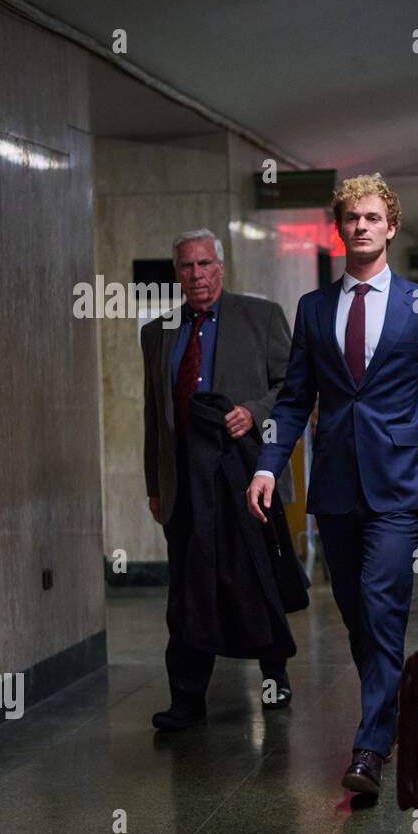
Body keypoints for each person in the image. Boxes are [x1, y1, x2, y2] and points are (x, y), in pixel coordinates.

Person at [248, 175, 418, 797]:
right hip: (333, 485)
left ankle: (369, 747)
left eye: (370, 218)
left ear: (390, 227)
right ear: (339, 231)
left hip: (396, 486)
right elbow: (293, 397)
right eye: (350, 219)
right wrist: (266, 464)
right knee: (357, 614)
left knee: (384, 607)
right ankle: (388, 711)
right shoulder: (313, 309)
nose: (360, 227)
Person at [142, 229, 294, 730]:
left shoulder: (261, 316)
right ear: (177, 274)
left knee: (257, 575)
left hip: (246, 472)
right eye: (186, 267)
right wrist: (155, 484)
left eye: (205, 264)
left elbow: (292, 387)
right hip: (185, 481)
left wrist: (253, 413)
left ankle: (274, 678)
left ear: (221, 268)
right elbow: (153, 414)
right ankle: (186, 698)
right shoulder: (158, 332)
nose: (197, 275)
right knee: (187, 589)